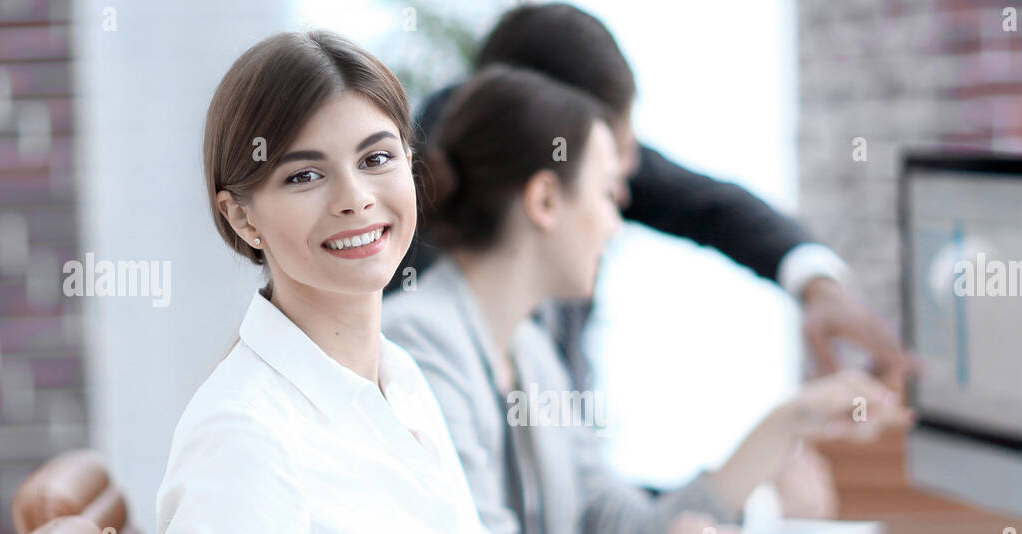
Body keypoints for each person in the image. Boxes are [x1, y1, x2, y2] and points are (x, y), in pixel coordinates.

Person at [123, 30, 904, 534]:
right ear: (241, 217)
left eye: (377, 157)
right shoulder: (250, 436)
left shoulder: (399, 380)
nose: (355, 196)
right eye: (304, 174)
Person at [384, 67, 912, 534]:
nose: (616, 224)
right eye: (608, 195)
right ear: (545, 201)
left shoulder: (531, 352)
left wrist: (788, 422)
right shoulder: (420, 346)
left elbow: (623, 527)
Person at [390, 2, 915, 392]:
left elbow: (711, 206)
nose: (628, 184)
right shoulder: (418, 324)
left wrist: (817, 285)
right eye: (614, 158)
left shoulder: (558, 157)